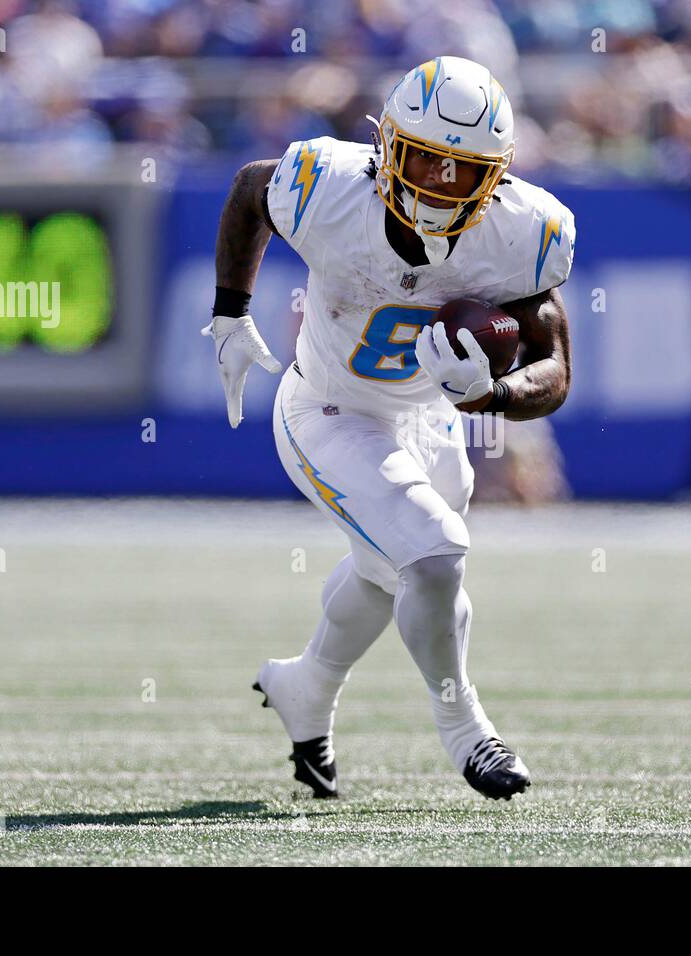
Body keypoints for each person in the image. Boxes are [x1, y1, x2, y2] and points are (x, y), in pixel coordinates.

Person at [204, 56, 576, 800]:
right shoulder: (329, 185)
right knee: (434, 557)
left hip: (426, 419)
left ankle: (305, 687)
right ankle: (465, 728)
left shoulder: (522, 232)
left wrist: (492, 395)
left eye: (460, 171)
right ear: (387, 146)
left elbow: (556, 369)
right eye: (425, 160)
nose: (438, 184)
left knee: (388, 570)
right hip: (327, 410)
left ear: (495, 177)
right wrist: (230, 312)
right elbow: (250, 189)